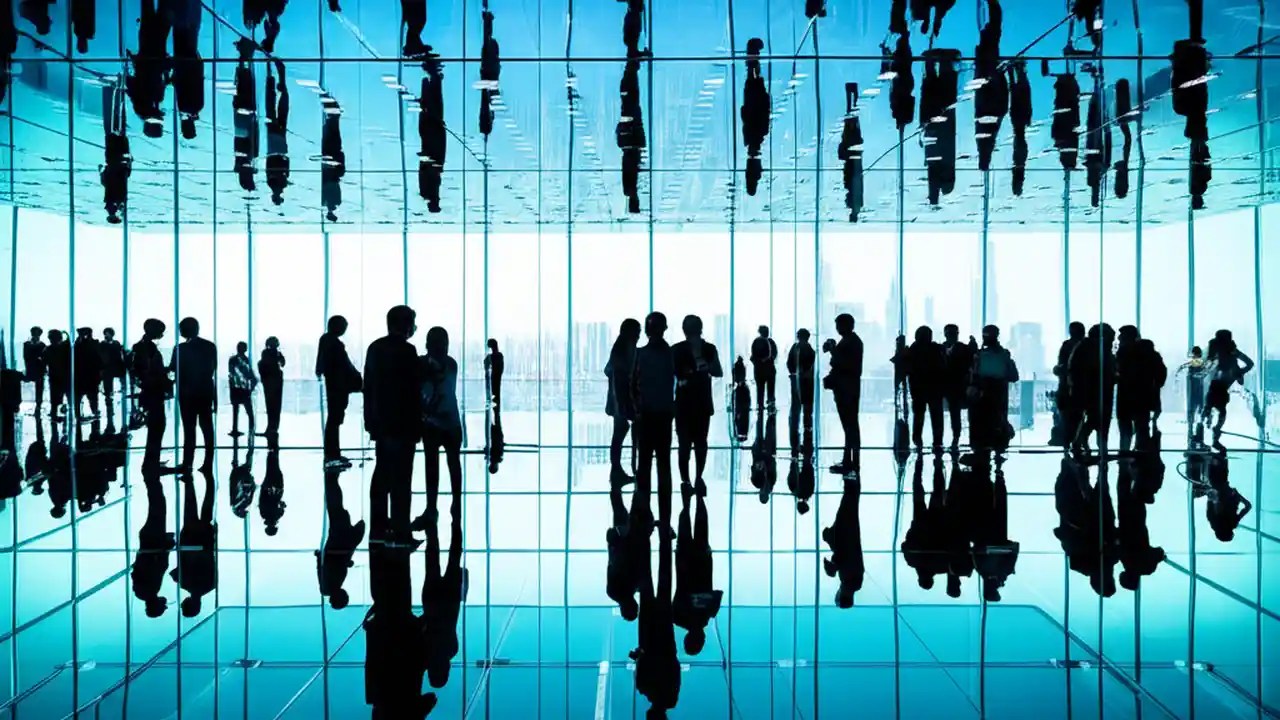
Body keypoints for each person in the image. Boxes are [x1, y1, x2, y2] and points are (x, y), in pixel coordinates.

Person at [364, 305, 421, 547]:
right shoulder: (408, 351)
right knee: (402, 478)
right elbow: (413, 392)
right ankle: (400, 531)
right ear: (407, 325)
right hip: (404, 424)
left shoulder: (375, 348)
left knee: (382, 474)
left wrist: (370, 421)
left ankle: (378, 527)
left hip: (382, 423)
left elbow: (369, 387)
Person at [414, 327, 462, 533]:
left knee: (431, 466)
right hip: (451, 422)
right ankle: (456, 503)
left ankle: (432, 508)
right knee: (454, 464)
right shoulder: (451, 363)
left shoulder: (422, 365)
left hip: (431, 424)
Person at [631, 312, 676, 528]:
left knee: (644, 464)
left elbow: (633, 386)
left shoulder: (640, 355)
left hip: (646, 415)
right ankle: (665, 518)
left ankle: (642, 513)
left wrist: (637, 409)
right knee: (664, 464)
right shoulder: (670, 355)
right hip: (664, 415)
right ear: (664, 329)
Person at [672, 315, 723, 496]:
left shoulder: (676, 350)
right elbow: (718, 371)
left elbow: (669, 375)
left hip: (684, 404)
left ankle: (686, 479)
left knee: (684, 444)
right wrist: (706, 367)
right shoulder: (709, 349)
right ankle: (698, 477)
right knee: (701, 442)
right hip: (701, 402)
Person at [673, 480, 722, 656]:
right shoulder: (677, 617)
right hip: (685, 562)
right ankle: (688, 499)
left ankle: (699, 497)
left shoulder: (708, 613)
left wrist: (700, 600)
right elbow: (685, 596)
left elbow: (714, 594)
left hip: (701, 561)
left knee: (700, 525)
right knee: (685, 525)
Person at [171, 317, 217, 473]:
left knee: (189, 429)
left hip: (187, 393)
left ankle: (187, 463)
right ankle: (209, 462)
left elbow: (173, 369)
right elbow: (213, 368)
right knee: (207, 427)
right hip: (205, 391)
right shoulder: (210, 346)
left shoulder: (180, 349)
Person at [170, 467, 217, 616]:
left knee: (207, 509)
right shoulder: (183, 583)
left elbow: (212, 563)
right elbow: (178, 568)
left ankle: (209, 480)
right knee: (190, 506)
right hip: (189, 542)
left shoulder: (211, 586)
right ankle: (189, 481)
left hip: (205, 543)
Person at [967, 325, 1018, 459]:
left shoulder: (979, 355)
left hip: (983, 393)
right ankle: (997, 451)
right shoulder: (1003, 355)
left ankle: (982, 451)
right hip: (998, 392)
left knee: (981, 423)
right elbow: (1013, 376)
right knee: (997, 421)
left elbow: (974, 374)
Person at [317, 315, 361, 468]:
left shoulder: (326, 340)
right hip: (338, 386)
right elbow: (345, 365)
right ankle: (332, 454)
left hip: (334, 385)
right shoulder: (335, 344)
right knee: (335, 420)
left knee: (333, 420)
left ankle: (332, 453)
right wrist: (357, 378)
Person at [825, 313, 863, 476]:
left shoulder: (852, 342)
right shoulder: (852, 341)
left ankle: (851, 462)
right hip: (846, 388)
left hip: (846, 388)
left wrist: (833, 351)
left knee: (849, 424)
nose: (837, 328)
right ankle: (850, 460)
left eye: (839, 325)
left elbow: (845, 363)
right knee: (849, 424)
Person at [1069, 323, 1116, 454]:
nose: (1112, 341)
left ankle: (1081, 442)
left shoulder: (1085, 348)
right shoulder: (1095, 350)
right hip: (1097, 391)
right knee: (1098, 419)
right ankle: (1091, 444)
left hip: (1092, 391)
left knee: (1093, 419)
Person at [132, 319, 172, 472]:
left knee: (155, 428)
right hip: (153, 392)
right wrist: (163, 378)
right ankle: (151, 463)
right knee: (157, 427)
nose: (162, 334)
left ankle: (151, 461)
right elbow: (149, 372)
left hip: (150, 391)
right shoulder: (147, 348)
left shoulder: (141, 346)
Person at [605, 318, 641, 486]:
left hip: (618, 399)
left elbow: (608, 370)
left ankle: (616, 470)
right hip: (621, 399)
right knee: (619, 434)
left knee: (618, 434)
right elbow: (621, 377)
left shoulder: (619, 348)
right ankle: (617, 470)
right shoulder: (625, 350)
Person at [1202, 329, 1254, 445]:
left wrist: (1239, 372)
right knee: (1219, 410)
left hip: (1218, 384)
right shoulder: (1231, 352)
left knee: (1211, 407)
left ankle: (1206, 426)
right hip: (1221, 385)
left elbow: (1250, 363)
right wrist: (1240, 372)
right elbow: (1250, 363)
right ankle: (1213, 428)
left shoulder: (1222, 351)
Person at [906, 326, 947, 452]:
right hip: (934, 388)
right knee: (936, 417)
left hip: (918, 388)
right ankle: (937, 441)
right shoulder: (935, 349)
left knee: (918, 416)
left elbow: (909, 369)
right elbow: (942, 366)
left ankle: (917, 440)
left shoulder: (913, 349)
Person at [940, 324, 975, 450]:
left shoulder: (942, 348)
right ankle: (958, 436)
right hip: (956, 385)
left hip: (956, 385)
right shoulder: (962, 348)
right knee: (956, 412)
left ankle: (956, 437)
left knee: (955, 413)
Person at [1052, 322, 1086, 447]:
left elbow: (1061, 366)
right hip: (1079, 387)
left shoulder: (1067, 345)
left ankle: (1069, 442)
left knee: (1067, 417)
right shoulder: (1085, 346)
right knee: (1077, 417)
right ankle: (1077, 442)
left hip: (1066, 386)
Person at [786, 328, 816, 443]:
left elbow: (789, 362)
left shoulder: (795, 347)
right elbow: (810, 363)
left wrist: (793, 373)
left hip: (797, 378)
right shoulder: (809, 349)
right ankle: (807, 424)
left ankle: (796, 424)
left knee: (796, 402)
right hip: (807, 379)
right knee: (807, 402)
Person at [257, 336, 286, 440]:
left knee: (271, 406)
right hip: (276, 381)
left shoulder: (266, 353)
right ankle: (272, 428)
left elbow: (263, 364)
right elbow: (283, 363)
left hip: (269, 382)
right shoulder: (276, 353)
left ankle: (271, 428)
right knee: (275, 406)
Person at [227, 341, 258, 438]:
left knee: (236, 410)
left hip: (236, 388)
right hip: (244, 389)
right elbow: (248, 374)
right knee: (249, 411)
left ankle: (235, 429)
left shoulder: (232, 360)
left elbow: (232, 373)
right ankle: (251, 429)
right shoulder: (246, 360)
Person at [73, 327, 103, 421]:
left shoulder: (92, 344)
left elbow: (99, 359)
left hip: (90, 375)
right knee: (81, 397)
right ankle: (80, 414)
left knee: (92, 396)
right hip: (82, 375)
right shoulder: (77, 344)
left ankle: (93, 412)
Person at [1176, 345, 1206, 431]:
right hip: (1198, 388)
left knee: (1192, 407)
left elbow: (1182, 367)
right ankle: (1199, 424)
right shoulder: (1201, 364)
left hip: (1193, 388)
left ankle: (1192, 425)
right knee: (1199, 406)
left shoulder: (1194, 364)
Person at [750, 325, 778, 413]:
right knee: (770, 388)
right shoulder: (771, 342)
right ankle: (770, 403)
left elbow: (753, 357)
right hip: (769, 369)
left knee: (760, 389)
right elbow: (774, 354)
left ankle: (760, 405)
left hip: (759, 370)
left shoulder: (756, 342)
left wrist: (758, 362)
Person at [45, 330, 71, 422]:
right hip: (65, 377)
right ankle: (67, 414)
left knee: (55, 399)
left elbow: (44, 362)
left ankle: (55, 415)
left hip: (55, 377)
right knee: (67, 397)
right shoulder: (65, 348)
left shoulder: (48, 349)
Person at [99, 327, 127, 409]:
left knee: (111, 380)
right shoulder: (103, 344)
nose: (106, 335)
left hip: (114, 365)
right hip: (107, 366)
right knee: (107, 382)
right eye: (105, 333)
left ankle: (112, 395)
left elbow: (119, 355)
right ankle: (108, 396)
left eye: (108, 333)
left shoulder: (116, 344)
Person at [23, 327, 46, 415]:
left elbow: (27, 357)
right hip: (34, 369)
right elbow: (26, 357)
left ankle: (38, 404)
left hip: (36, 369)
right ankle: (38, 404)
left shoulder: (29, 344)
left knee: (39, 387)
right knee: (39, 387)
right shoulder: (41, 345)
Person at [484, 338, 504, 412]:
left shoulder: (492, 356)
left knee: (494, 394)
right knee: (496, 394)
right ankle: (496, 413)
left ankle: (495, 412)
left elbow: (486, 365)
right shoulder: (499, 356)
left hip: (493, 378)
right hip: (496, 377)